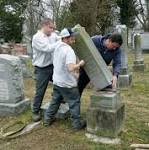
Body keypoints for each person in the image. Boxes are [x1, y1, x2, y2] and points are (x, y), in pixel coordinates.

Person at [44, 28, 86, 130]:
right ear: (66, 38)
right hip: (67, 83)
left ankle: (47, 120)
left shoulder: (57, 45)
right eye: (72, 38)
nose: (74, 41)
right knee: (74, 102)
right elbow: (71, 68)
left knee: (55, 101)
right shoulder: (68, 50)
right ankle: (76, 124)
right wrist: (80, 64)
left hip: (57, 81)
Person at [32, 18, 59, 122]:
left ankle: (58, 100)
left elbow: (59, 37)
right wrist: (61, 42)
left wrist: (66, 36)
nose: (52, 30)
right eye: (50, 27)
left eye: (53, 28)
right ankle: (35, 111)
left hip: (52, 66)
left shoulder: (52, 34)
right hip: (41, 68)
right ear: (44, 25)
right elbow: (48, 48)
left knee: (60, 83)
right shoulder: (37, 37)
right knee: (40, 91)